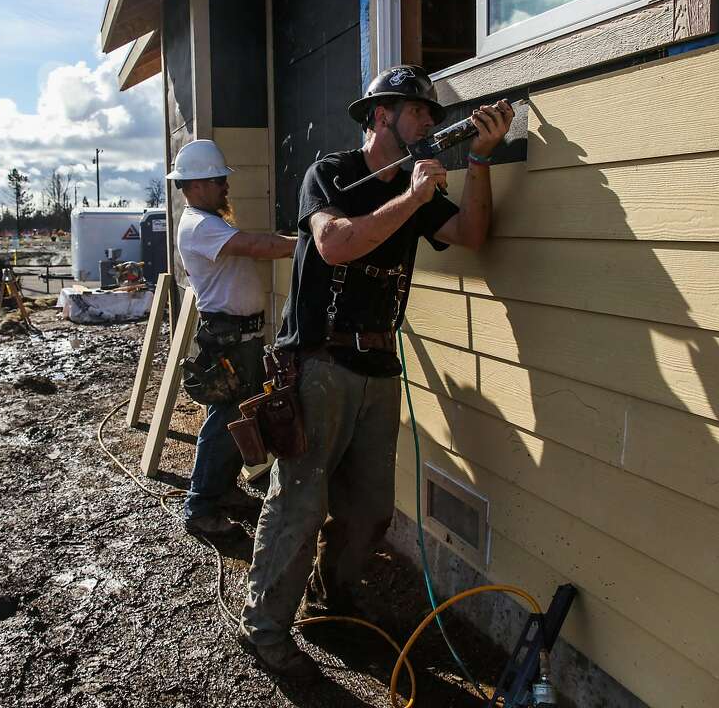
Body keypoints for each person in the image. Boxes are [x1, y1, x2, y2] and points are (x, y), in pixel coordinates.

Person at [237, 66, 514, 678]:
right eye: (419, 112)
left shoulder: (420, 188)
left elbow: (471, 232)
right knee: (299, 504)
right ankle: (264, 629)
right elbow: (334, 244)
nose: (429, 124)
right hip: (318, 362)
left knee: (367, 510)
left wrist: (483, 160)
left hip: (380, 366)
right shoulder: (329, 174)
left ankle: (332, 600)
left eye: (433, 116)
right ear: (381, 115)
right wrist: (412, 197)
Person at [168, 139, 298, 537]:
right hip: (229, 342)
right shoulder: (199, 226)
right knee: (225, 422)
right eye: (218, 180)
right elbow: (257, 246)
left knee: (233, 420)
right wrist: (309, 244)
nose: (226, 186)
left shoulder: (210, 223)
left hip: (238, 339)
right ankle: (200, 507)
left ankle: (220, 491)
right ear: (195, 186)